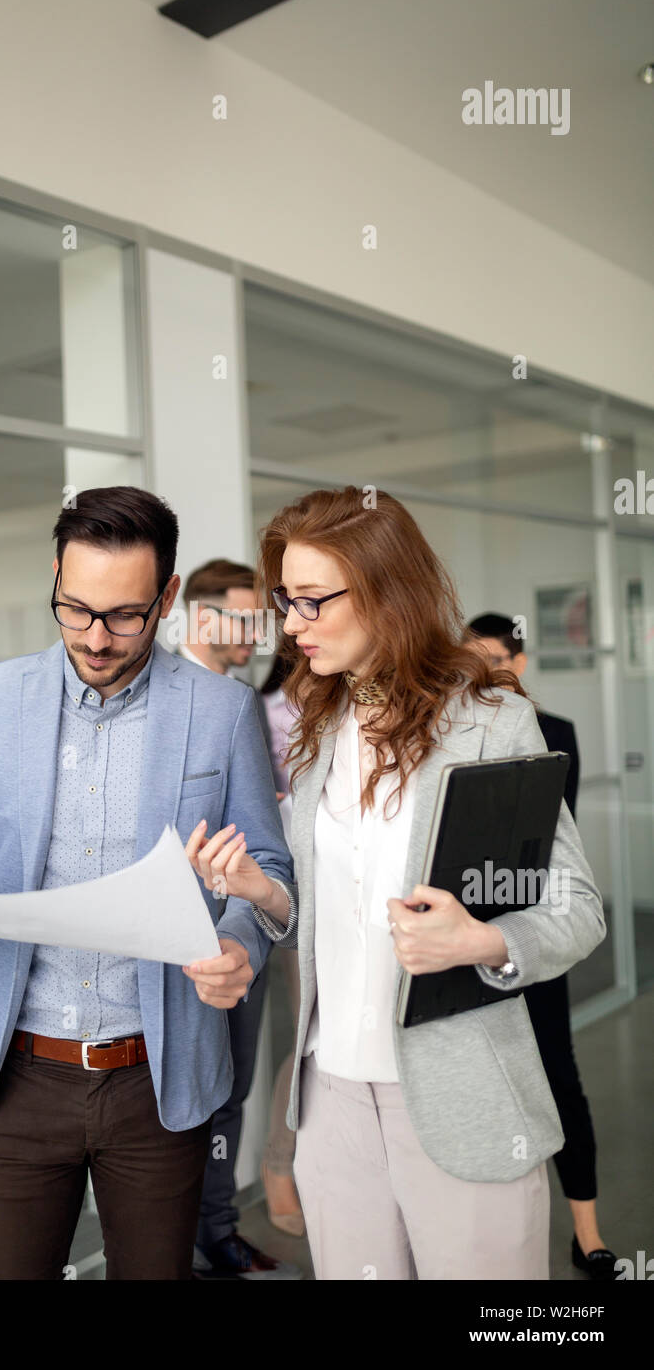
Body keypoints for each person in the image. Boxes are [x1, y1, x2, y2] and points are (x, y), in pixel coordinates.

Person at [0, 485, 296, 1281]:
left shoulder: (221, 711)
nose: (96, 639)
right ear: (55, 580)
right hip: (16, 1078)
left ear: (166, 598)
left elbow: (266, 870)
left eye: (125, 615)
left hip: (156, 1082)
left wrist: (237, 940)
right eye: (75, 609)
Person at [185, 485, 606, 1280]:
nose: (291, 624)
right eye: (286, 601)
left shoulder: (489, 721)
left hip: (461, 1093)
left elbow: (576, 906)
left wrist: (483, 938)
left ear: (386, 591)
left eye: (312, 601)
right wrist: (260, 889)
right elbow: (319, 907)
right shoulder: (316, 730)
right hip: (332, 1097)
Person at [466, 612, 618, 1282]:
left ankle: (587, 1234)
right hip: (466, 934)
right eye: (471, 658)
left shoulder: (555, 734)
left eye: (496, 658)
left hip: (528, 927)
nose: (485, 670)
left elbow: (554, 845)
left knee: (558, 1074)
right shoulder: (456, 730)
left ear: (520, 663)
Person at [176, 560, 300, 1279]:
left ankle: (215, 1235)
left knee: (232, 1092)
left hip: (243, 930)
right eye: (245, 618)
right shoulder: (163, 695)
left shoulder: (247, 702)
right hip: (172, 938)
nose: (259, 634)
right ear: (200, 616)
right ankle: (172, 1244)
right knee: (177, 1100)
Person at [258, 654, 306, 1236]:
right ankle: (278, 1164)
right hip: (292, 895)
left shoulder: (352, 708)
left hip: (359, 898)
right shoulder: (261, 711)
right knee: (305, 1034)